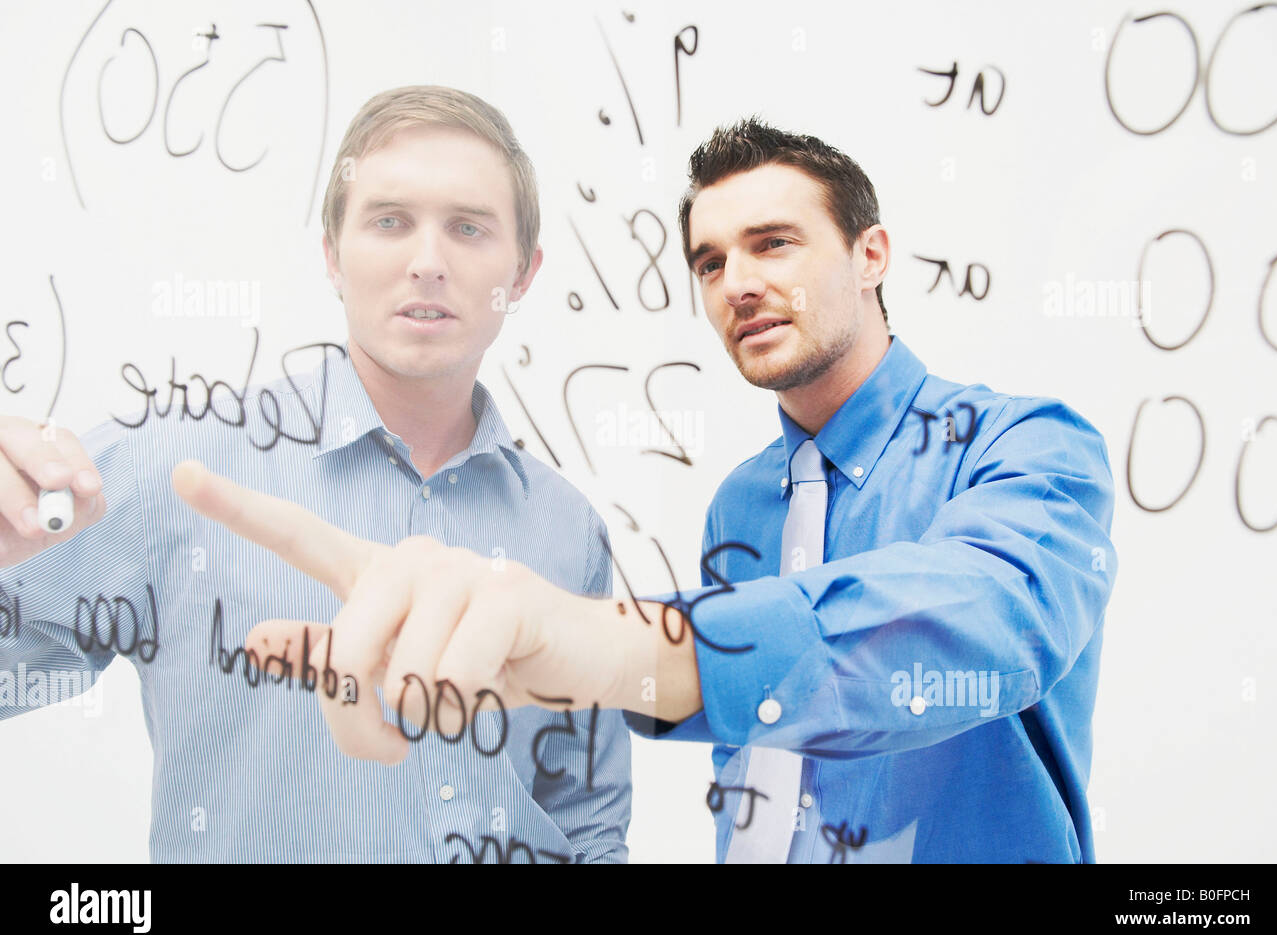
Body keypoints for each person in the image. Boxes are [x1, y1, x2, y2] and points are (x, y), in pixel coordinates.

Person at [168, 118, 1117, 865]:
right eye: (710, 262)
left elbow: (988, 622)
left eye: (774, 243)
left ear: (871, 255)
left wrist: (601, 644)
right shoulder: (744, 506)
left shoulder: (1027, 444)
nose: (738, 283)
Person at [0, 85, 632, 864]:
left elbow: (587, 817)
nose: (427, 263)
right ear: (332, 254)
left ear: (524, 272)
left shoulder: (567, 528)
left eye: (468, 228)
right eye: (389, 221)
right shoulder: (181, 466)